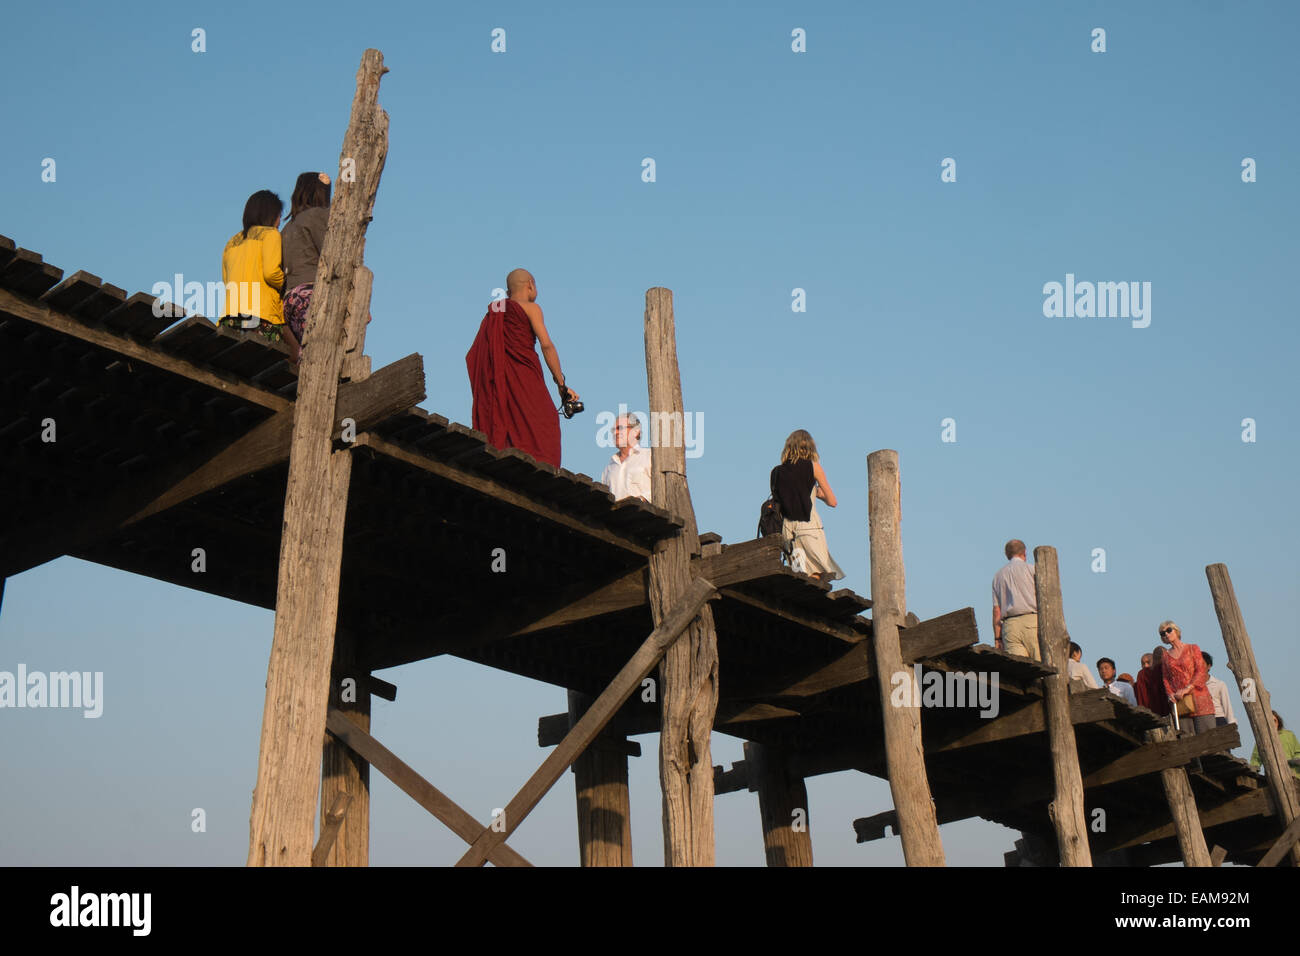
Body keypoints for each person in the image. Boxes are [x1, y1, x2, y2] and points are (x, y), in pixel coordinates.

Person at [466, 269, 576, 468]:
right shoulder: (532, 308)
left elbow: (478, 353)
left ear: (508, 292)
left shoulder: (496, 309)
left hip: (499, 382)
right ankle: (542, 467)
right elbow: (546, 345)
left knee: (506, 419)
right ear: (530, 285)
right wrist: (561, 384)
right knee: (547, 420)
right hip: (526, 377)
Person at [219, 190, 298, 355]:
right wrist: (285, 284)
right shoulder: (271, 235)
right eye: (279, 216)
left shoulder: (232, 242)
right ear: (271, 214)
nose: (279, 222)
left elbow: (227, 281)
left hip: (230, 319)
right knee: (281, 358)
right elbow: (270, 273)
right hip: (261, 319)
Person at [770, 430, 843, 584]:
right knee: (817, 576)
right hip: (809, 529)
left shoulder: (776, 472)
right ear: (810, 448)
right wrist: (820, 495)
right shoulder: (814, 467)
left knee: (800, 578)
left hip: (788, 533)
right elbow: (832, 501)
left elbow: (788, 495)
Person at [280, 172, 331, 360]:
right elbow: (333, 257)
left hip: (289, 301)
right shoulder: (319, 216)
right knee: (324, 355)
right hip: (310, 295)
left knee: (309, 355)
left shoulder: (285, 229)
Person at [1158, 620, 1215, 734]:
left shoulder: (1192, 648)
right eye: (1163, 633)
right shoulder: (1165, 656)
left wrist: (1187, 688)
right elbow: (1166, 678)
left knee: (1209, 738)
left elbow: (1201, 670)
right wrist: (1171, 695)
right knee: (1187, 740)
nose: (1166, 634)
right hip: (1181, 702)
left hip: (1199, 699)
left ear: (1176, 630)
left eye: (1169, 630)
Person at [992, 539, 1038, 660]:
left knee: (1020, 672)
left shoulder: (998, 576)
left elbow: (997, 611)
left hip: (1010, 627)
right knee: (1043, 667)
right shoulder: (1032, 570)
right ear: (1025, 553)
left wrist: (998, 639)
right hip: (1032, 622)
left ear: (1007, 555)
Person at [601, 412, 651, 502]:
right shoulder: (609, 468)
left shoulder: (649, 457)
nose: (615, 433)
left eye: (619, 428)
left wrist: (642, 499)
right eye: (613, 430)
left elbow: (663, 488)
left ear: (636, 431)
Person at [1249, 711, 1300, 780]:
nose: (1272, 723)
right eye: (1269, 721)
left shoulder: (1289, 735)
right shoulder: (1262, 739)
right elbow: (1255, 760)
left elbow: (1298, 752)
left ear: (1278, 722)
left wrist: (1293, 761)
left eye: (1274, 720)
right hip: (1273, 777)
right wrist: (1252, 774)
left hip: (1294, 775)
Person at [1202, 651, 1236, 727]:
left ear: (1209, 666)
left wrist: (1232, 725)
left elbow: (1227, 707)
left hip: (1218, 719)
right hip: (1201, 721)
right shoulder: (1192, 686)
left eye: (1202, 664)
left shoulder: (1219, 684)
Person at [1133, 646, 1170, 716]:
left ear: (1155, 660)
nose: (1145, 666)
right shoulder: (1142, 675)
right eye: (1143, 664)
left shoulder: (1161, 671)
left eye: (1148, 662)